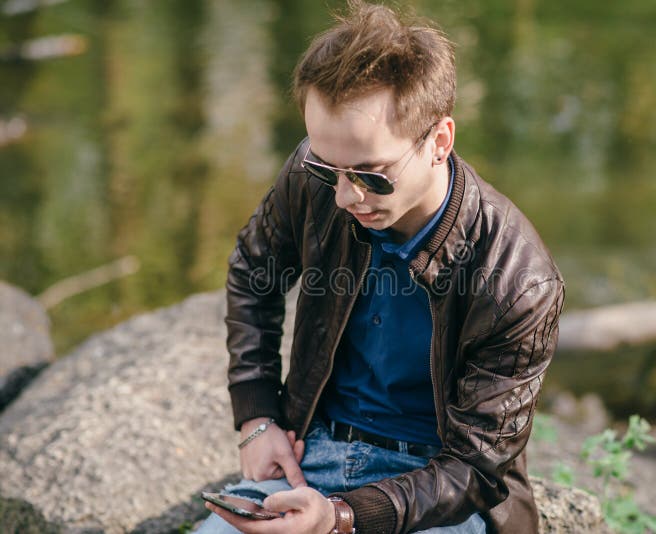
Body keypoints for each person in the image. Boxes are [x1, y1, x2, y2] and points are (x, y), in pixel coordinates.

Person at [197, 2, 564, 532]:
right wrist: (257, 417)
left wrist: (341, 518)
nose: (346, 194)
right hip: (313, 456)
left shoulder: (519, 280)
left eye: (371, 174)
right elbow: (253, 273)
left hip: (438, 493)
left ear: (439, 142)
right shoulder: (312, 175)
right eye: (328, 166)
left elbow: (476, 470)